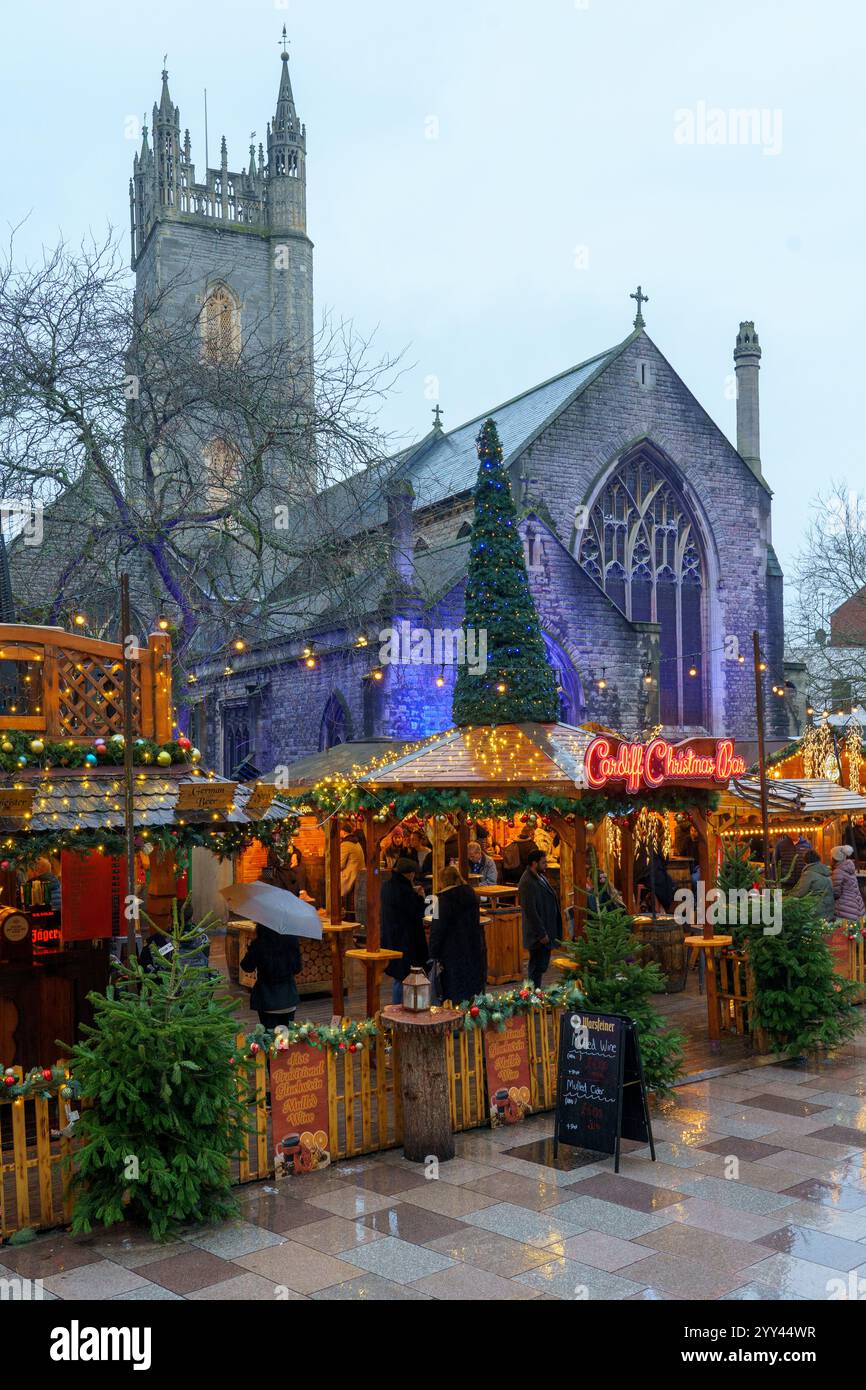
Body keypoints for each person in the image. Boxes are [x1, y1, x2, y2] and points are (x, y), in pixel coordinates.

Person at [429, 866, 486, 1003]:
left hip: (451, 952)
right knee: (471, 988)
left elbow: (437, 930)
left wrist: (433, 953)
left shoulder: (442, 901)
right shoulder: (471, 895)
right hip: (472, 947)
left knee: (453, 991)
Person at [380, 857, 428, 1004]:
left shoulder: (387, 886)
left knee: (399, 975)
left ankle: (399, 1007)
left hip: (391, 936)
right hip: (405, 939)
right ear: (410, 874)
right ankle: (401, 1007)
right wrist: (421, 898)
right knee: (404, 976)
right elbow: (416, 912)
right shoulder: (405, 890)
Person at [240, 924, 302, 1030]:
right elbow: (297, 968)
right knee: (287, 1039)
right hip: (289, 997)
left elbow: (247, 966)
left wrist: (251, 949)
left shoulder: (259, 944)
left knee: (269, 1041)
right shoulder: (292, 941)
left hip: (266, 999)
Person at [518, 848, 560, 988]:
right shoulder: (527, 882)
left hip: (546, 928)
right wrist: (541, 933)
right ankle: (532, 995)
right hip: (538, 934)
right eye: (543, 863)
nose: (546, 865)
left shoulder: (541, 876)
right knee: (536, 966)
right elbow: (530, 911)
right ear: (534, 863)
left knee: (541, 965)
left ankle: (536, 993)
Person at [790, 849, 835, 920]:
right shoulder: (826, 872)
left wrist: (787, 896)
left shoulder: (808, 874)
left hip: (815, 911)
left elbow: (799, 892)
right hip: (829, 910)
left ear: (806, 861)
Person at [831, 844, 865, 921]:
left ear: (835, 858)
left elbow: (836, 893)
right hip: (857, 906)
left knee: (844, 931)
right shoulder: (849, 869)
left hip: (846, 909)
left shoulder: (838, 871)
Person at [340, 830, 365, 913]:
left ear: (343, 832)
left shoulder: (345, 845)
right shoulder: (357, 843)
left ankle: (340, 913)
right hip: (359, 876)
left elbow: (340, 865)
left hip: (350, 877)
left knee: (332, 883)